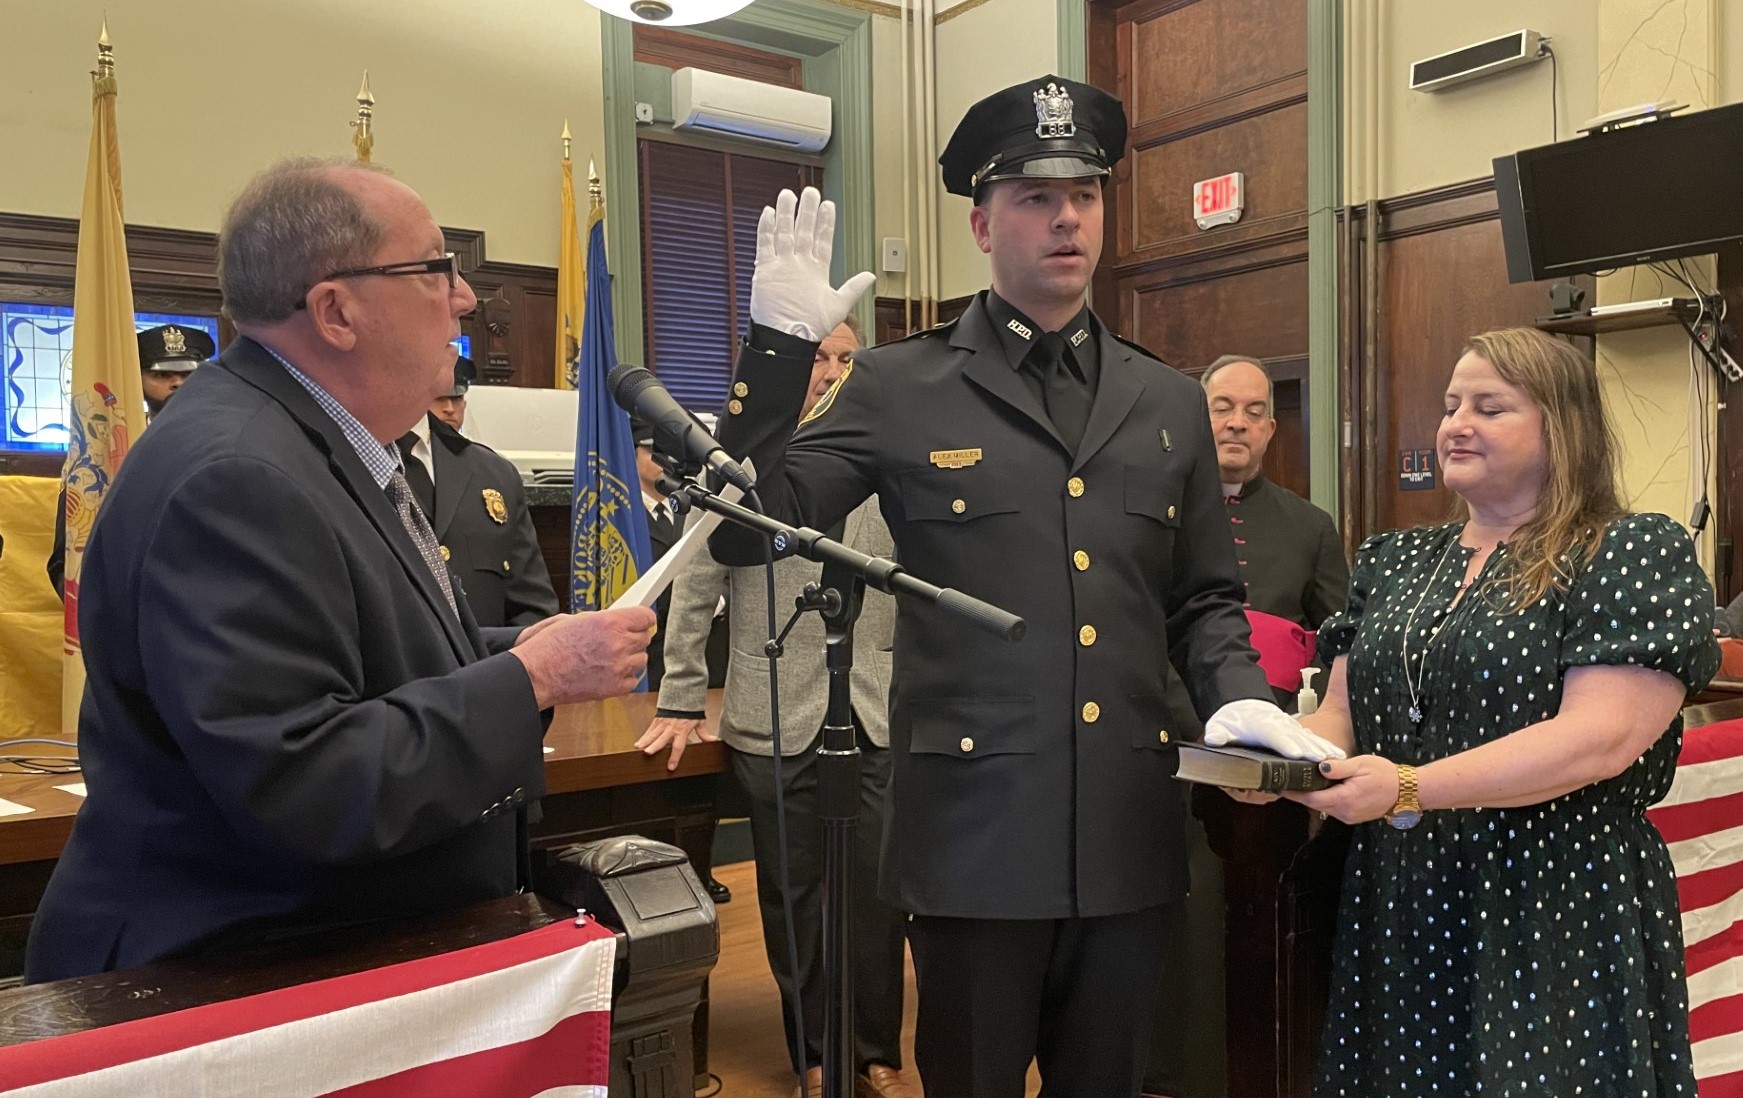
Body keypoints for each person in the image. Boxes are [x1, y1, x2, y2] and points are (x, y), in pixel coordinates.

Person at [709, 76, 1341, 1096]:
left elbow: (1202, 603)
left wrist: (1241, 701)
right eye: (1036, 197)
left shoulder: (1166, 401)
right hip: (973, 839)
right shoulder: (901, 387)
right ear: (981, 221)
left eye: (1085, 195)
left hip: (1127, 836)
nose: (1066, 217)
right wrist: (776, 353)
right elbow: (749, 535)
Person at [24, 157, 653, 983]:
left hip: (322, 954)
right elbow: (305, 781)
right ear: (335, 310)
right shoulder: (238, 475)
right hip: (224, 988)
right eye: (435, 270)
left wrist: (523, 648)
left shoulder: (313, 442)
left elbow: (362, 652)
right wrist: (525, 679)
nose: (465, 299)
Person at [1229, 327, 1719, 1096]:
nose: (1456, 422)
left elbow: (1598, 740)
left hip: (1555, 890)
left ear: (1563, 427)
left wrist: (1408, 788)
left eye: (1489, 407)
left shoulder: (1626, 551)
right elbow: (1339, 719)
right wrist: (1272, 759)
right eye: (1451, 404)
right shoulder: (1395, 558)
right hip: (1402, 893)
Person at [641, 317, 916, 1098]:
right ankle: (815, 1051)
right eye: (819, 357)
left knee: (873, 895)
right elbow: (693, 591)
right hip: (773, 716)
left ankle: (873, 1049)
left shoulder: (885, 459)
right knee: (793, 897)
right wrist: (681, 696)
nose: (830, 371)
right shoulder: (744, 463)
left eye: (845, 358)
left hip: (870, 711)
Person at [46, 323, 216, 598]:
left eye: (188, 373)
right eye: (161, 374)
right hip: (127, 606)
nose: (177, 383)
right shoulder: (103, 453)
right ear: (137, 380)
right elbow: (65, 561)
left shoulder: (226, 444)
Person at [396, 354, 559, 628]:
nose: (449, 408)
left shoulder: (495, 473)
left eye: (457, 399)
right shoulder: (370, 460)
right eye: (440, 398)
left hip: (495, 663)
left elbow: (533, 606)